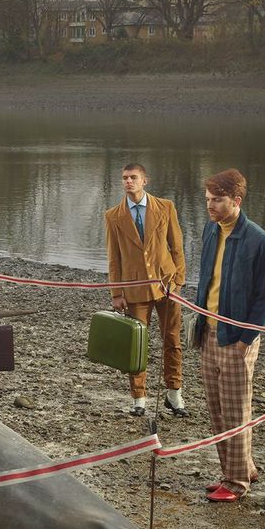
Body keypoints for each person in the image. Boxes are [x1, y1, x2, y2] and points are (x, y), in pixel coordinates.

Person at [194, 169, 265, 503]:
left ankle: (237, 482)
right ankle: (239, 469)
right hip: (208, 331)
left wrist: (246, 338)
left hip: (237, 338)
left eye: (217, 200)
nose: (210, 206)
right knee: (216, 408)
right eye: (208, 199)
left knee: (236, 411)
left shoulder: (260, 241)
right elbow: (207, 280)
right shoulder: (210, 230)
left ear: (236, 200)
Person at [104, 162, 188, 417]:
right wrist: (116, 293)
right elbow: (114, 258)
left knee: (172, 340)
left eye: (133, 177)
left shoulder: (166, 207)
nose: (128, 181)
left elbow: (177, 246)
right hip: (135, 290)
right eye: (125, 178)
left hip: (167, 286)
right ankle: (139, 399)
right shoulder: (113, 216)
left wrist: (178, 281)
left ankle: (174, 394)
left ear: (144, 180)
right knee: (137, 344)